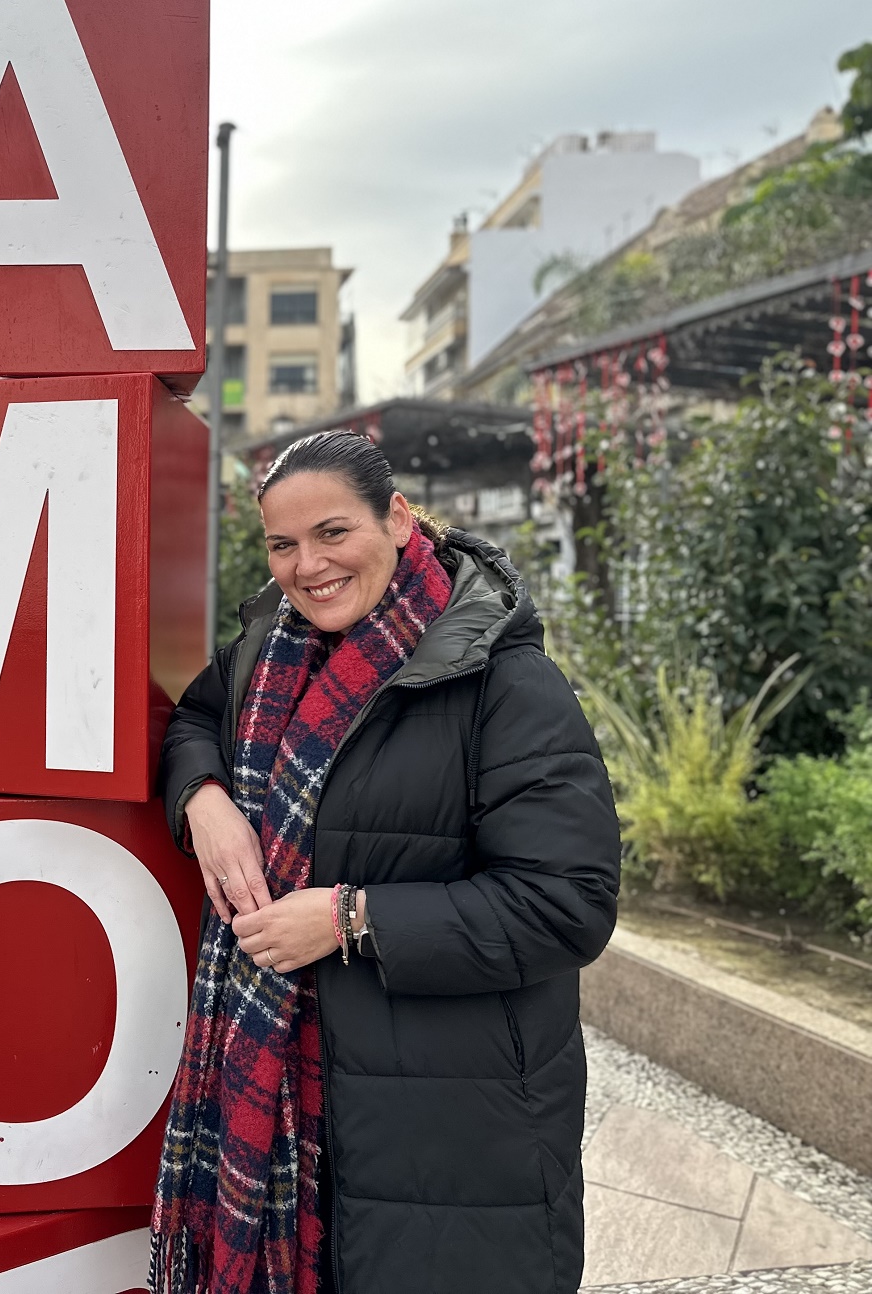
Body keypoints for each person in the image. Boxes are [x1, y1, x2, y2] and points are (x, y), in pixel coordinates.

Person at [150, 430, 620, 1294]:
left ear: (398, 519)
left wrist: (347, 919)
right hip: (294, 1104)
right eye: (283, 545)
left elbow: (568, 904)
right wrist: (204, 802)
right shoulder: (265, 657)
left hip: (452, 1130)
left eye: (334, 532)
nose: (308, 565)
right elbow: (190, 723)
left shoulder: (503, 683)